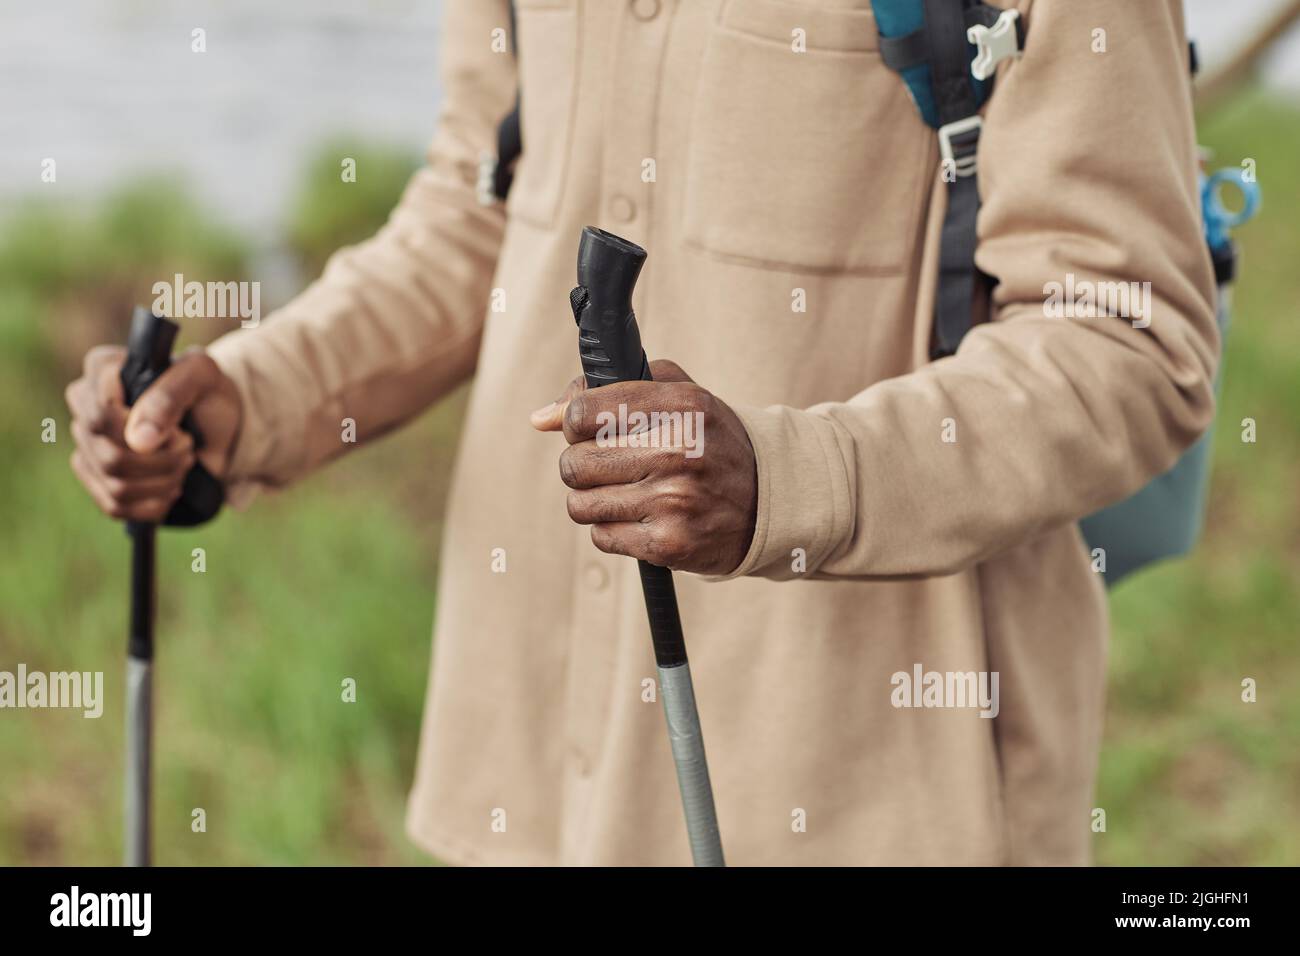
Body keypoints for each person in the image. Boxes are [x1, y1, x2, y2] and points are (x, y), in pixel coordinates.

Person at [64, 0, 1217, 865]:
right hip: (525, 780)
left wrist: (785, 479)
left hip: (877, 792)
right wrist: (250, 394)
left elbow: (1124, 336)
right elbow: (487, 207)